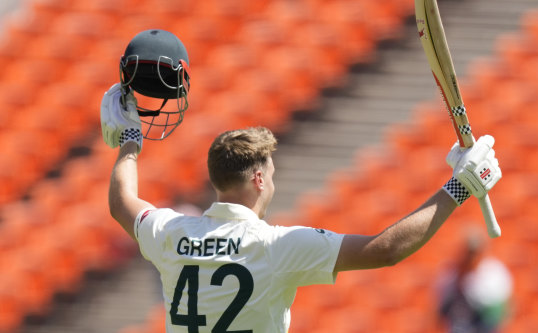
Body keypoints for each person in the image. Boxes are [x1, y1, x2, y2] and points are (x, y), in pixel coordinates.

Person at [100, 29, 502, 333]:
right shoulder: (276, 247)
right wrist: (460, 187)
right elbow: (386, 250)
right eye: (272, 172)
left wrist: (130, 141)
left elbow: (121, 202)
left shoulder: (172, 232)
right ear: (258, 178)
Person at [436, 228, 513, 333]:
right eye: (468, 252)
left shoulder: (494, 273)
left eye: (474, 252)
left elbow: (498, 311)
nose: (471, 256)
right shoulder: (450, 273)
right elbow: (441, 308)